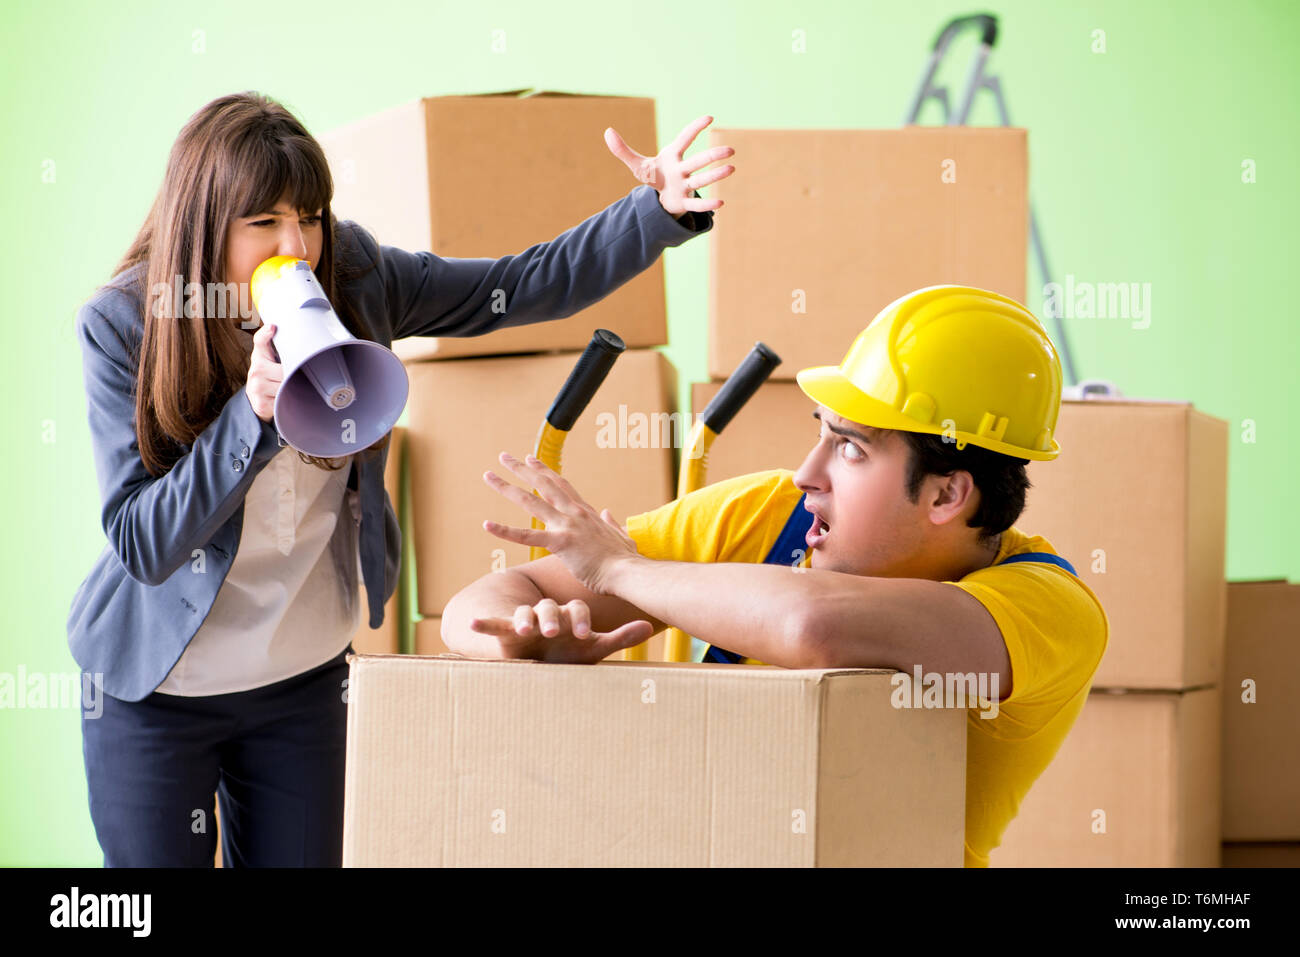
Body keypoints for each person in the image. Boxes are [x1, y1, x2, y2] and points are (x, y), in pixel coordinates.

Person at [68, 90, 732, 867]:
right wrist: (249, 419)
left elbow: (517, 285)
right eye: (265, 223)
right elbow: (143, 543)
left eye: (309, 216)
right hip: (157, 692)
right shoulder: (122, 323)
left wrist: (654, 213)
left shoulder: (354, 276)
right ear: (204, 224)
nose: (297, 246)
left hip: (300, 682)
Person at [441, 284, 1110, 868]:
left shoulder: (1046, 609)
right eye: (822, 433)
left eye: (850, 448)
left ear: (946, 494)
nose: (806, 475)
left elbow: (813, 625)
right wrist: (520, 639)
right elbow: (476, 607)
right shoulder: (764, 516)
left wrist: (620, 569)